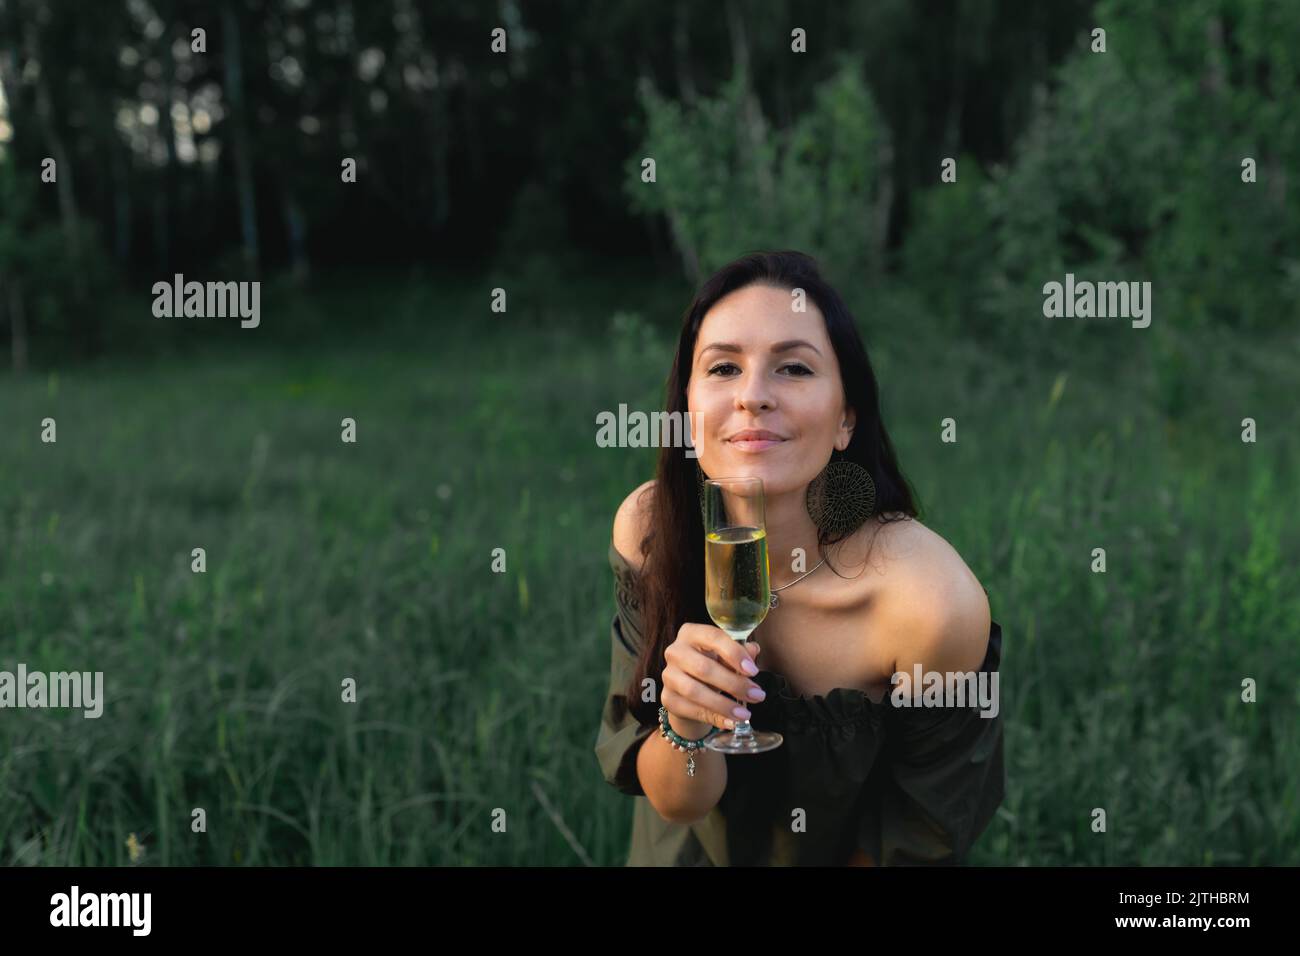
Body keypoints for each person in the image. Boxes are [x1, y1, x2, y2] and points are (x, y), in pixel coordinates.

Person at [594, 250, 1005, 865]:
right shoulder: (651, 531)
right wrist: (686, 725)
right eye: (724, 367)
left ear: (846, 419)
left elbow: (916, 839)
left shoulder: (930, 605)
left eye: (793, 368)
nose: (753, 397)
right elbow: (676, 804)